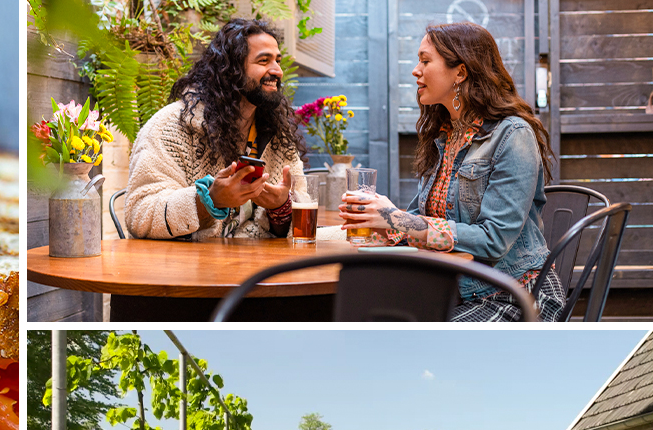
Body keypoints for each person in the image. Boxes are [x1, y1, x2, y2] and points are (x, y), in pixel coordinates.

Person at [339, 21, 564, 322]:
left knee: (403, 341)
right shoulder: (445, 136)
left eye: (425, 60)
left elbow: (493, 239)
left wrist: (396, 219)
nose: (415, 70)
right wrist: (379, 220)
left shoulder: (513, 134)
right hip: (454, 291)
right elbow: (423, 220)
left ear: (460, 72)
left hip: (515, 296)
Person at [122, 18, 309, 240]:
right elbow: (140, 213)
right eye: (263, 61)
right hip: (187, 261)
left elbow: (303, 218)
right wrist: (208, 201)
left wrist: (280, 208)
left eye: (277, 61)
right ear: (232, 70)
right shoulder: (170, 126)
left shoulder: (278, 135)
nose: (277, 70)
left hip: (257, 260)